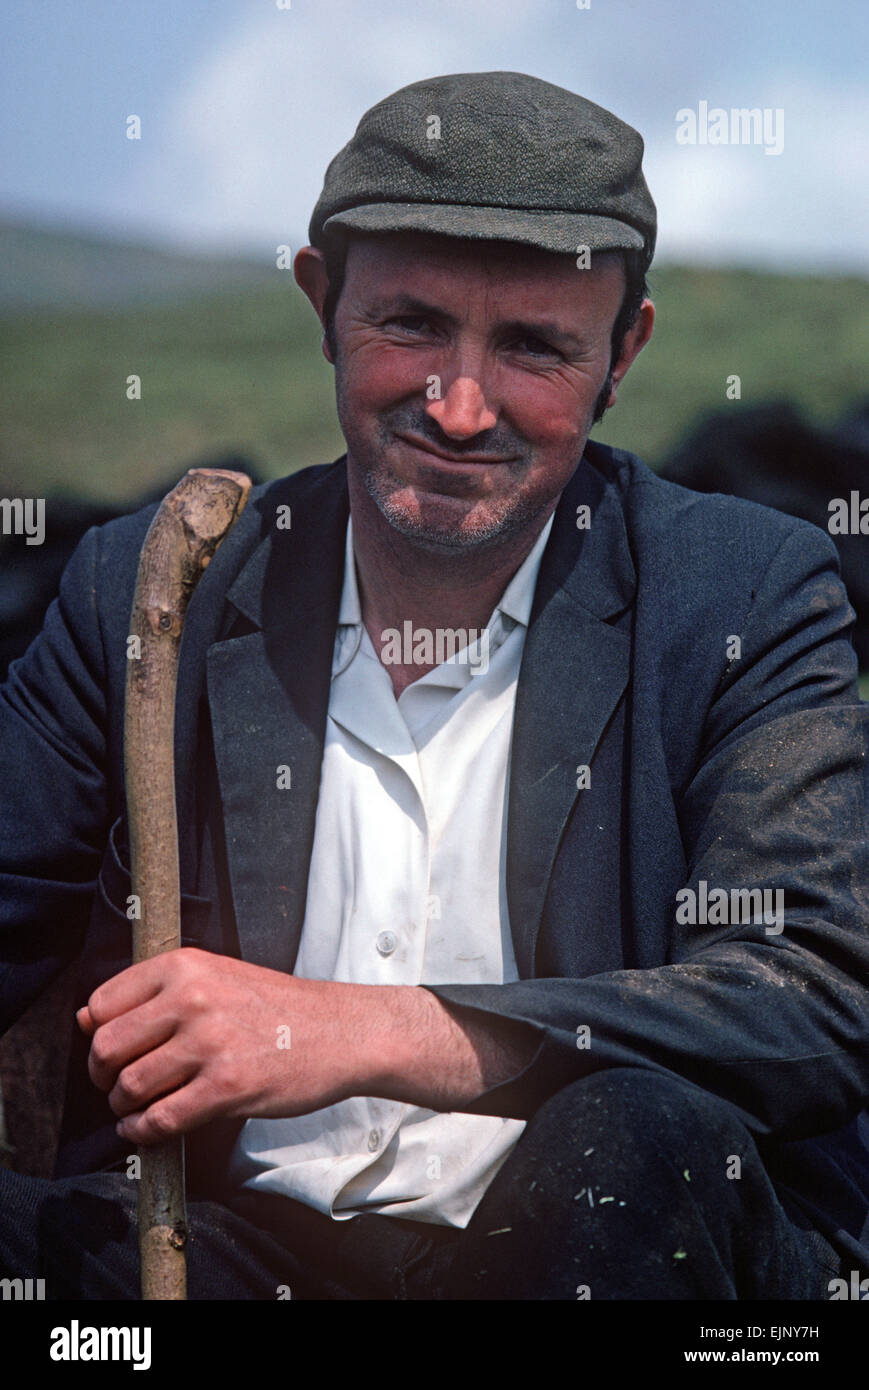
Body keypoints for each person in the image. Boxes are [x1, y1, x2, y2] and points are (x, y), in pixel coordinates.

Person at [1, 71, 867, 1301]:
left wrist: (355, 1028)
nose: (460, 408)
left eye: (532, 347)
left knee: (627, 1138)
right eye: (409, 324)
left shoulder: (742, 596)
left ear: (626, 350)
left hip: (597, 1251)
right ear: (320, 302)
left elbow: (805, 1003)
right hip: (231, 1254)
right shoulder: (155, 596)